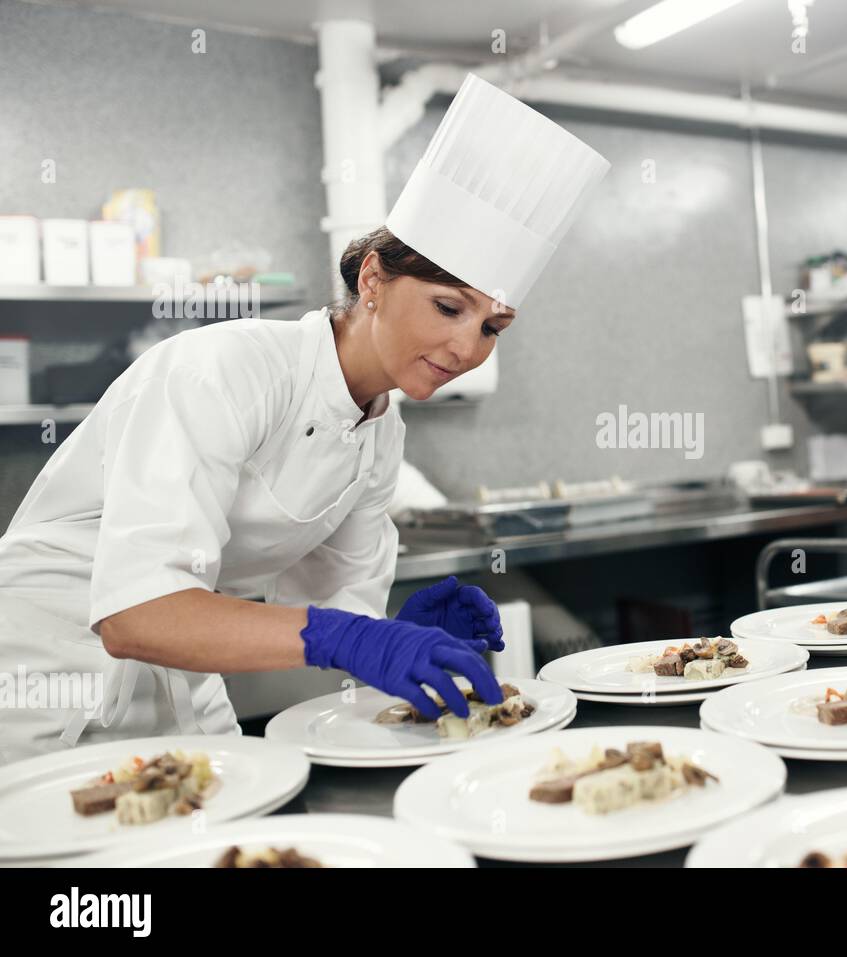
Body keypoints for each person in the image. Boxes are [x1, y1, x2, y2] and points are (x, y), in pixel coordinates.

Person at [0, 74, 609, 763]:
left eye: (493, 325)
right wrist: (350, 637)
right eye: (448, 307)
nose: (468, 347)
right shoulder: (223, 370)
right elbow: (134, 611)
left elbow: (326, 618)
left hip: (180, 694)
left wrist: (389, 632)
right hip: (41, 685)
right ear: (373, 280)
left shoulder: (381, 434)